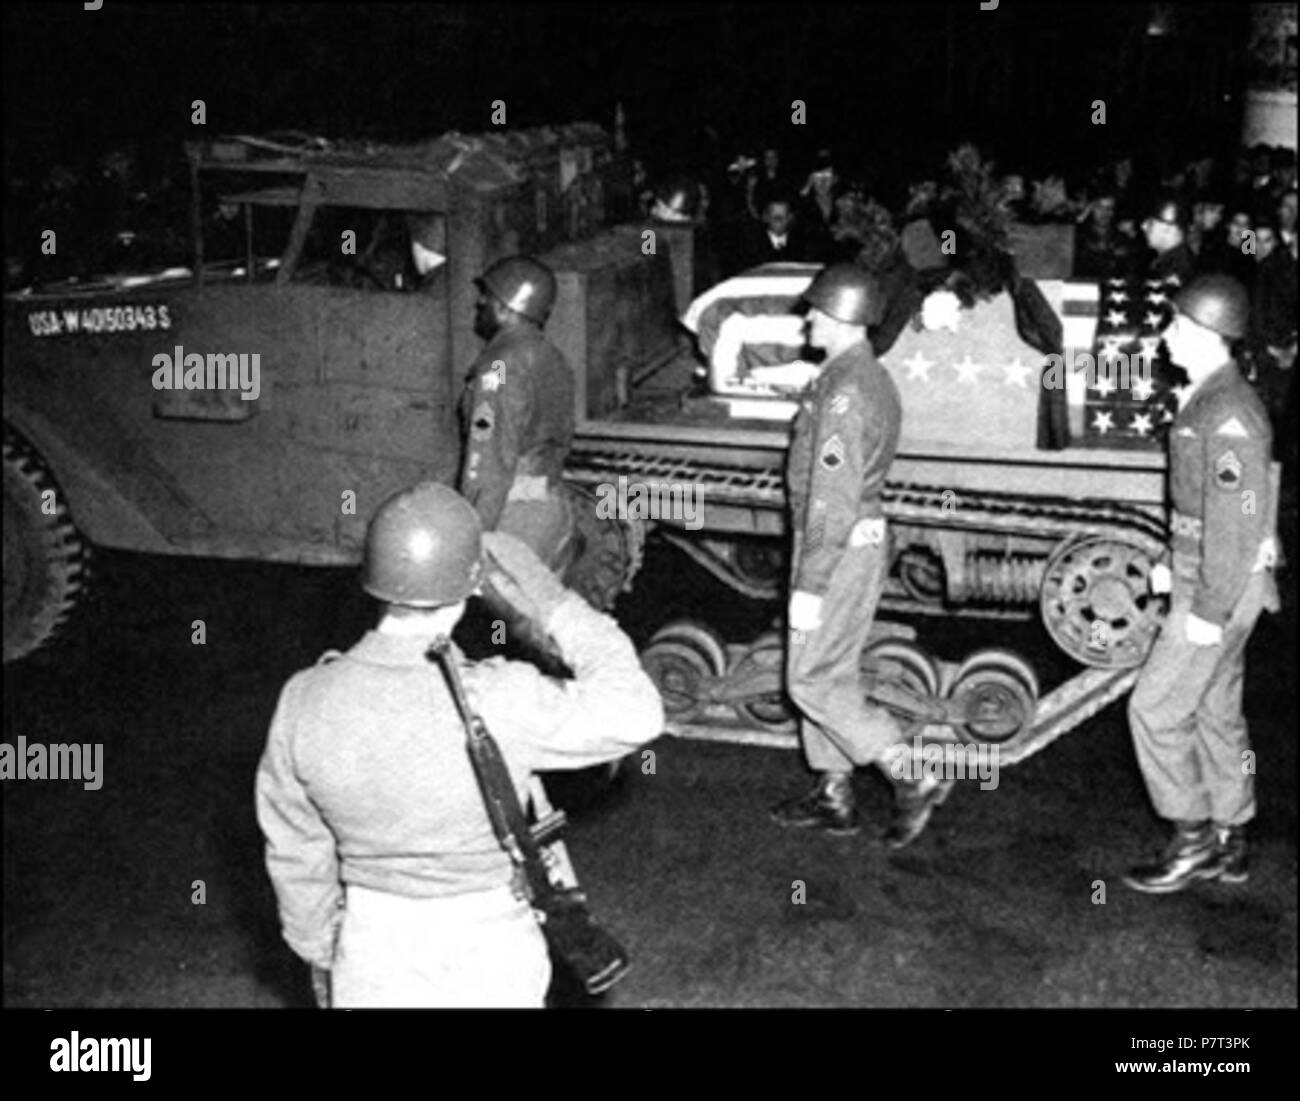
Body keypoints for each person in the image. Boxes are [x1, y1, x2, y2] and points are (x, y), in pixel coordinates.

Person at [255, 483, 664, 1007]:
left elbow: (295, 848)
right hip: (489, 948)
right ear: (475, 584)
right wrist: (552, 602)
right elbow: (636, 710)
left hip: (373, 948)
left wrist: (321, 948)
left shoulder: (304, 699)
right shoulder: (500, 696)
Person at [771, 264, 951, 848]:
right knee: (830, 668)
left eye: (814, 310)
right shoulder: (859, 375)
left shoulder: (847, 389)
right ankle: (834, 792)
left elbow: (832, 495)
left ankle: (911, 773)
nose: (807, 318)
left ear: (839, 315)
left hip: (837, 543)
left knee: (810, 679)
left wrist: (811, 583)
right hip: (850, 539)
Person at [1123, 275, 1280, 894]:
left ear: (1206, 334)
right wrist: (1172, 558)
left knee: (1156, 709)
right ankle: (1230, 832)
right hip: (1210, 573)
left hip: (1221, 585)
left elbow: (1237, 521)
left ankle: (1189, 838)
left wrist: (1208, 608)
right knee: (1216, 710)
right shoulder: (1211, 397)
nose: (1165, 336)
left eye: (1176, 327)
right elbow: (1202, 506)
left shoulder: (1230, 411)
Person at [457, 256, 576, 573]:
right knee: (534, 617)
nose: (481, 302)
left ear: (505, 306)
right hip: (550, 507)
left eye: (489, 296)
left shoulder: (499, 367)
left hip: (511, 518)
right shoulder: (551, 356)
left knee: (495, 616)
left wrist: (473, 538)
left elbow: (489, 463)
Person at [736, 195, 812, 270]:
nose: (779, 222)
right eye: (776, 218)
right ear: (765, 217)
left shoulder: (803, 244)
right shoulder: (751, 246)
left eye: (783, 217)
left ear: (790, 218)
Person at [1140, 194, 1196, 283]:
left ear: (1168, 230)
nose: (1143, 226)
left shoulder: (1174, 269)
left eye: (1150, 223)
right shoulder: (1174, 260)